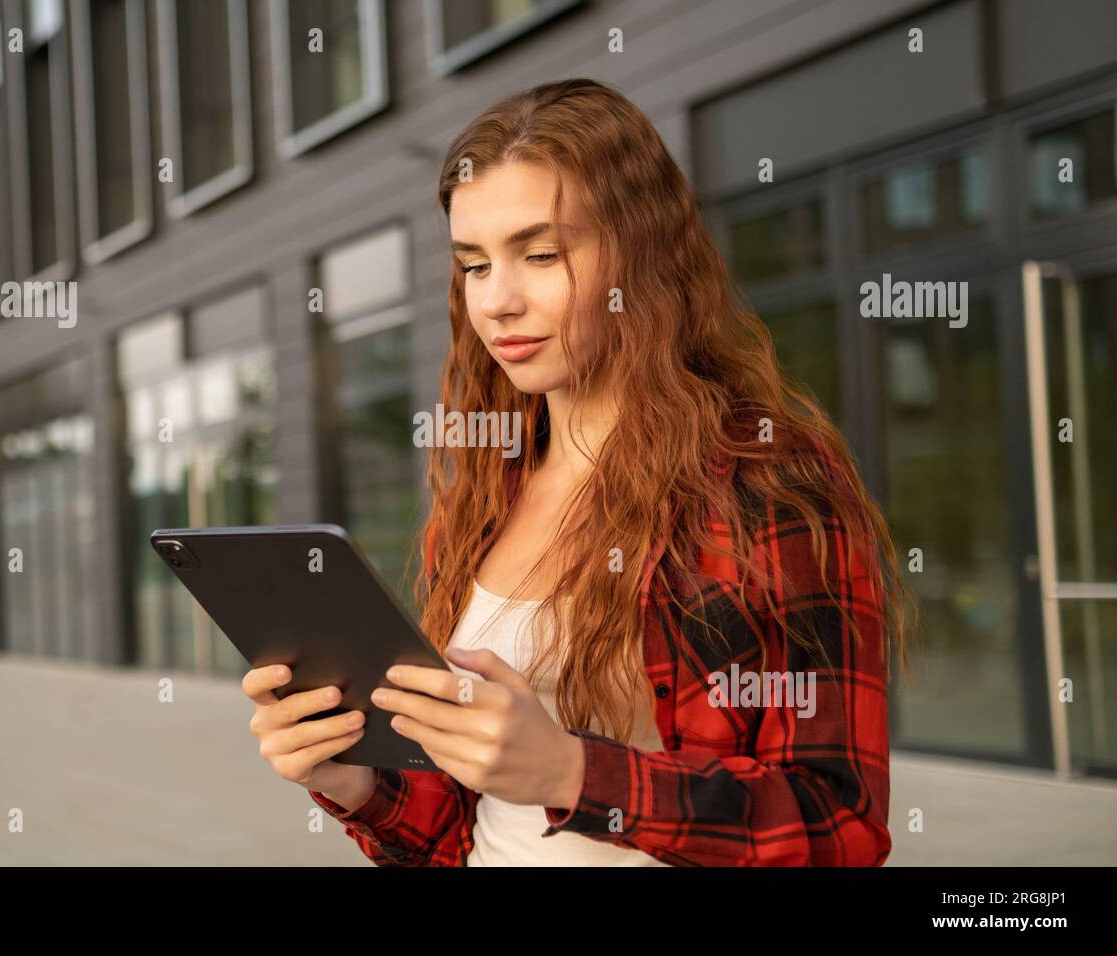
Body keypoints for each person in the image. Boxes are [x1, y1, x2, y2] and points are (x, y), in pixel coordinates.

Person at [242, 78, 912, 866]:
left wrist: (570, 771)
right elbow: (468, 826)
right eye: (475, 265)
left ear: (643, 253)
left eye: (540, 254)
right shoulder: (489, 490)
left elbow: (839, 828)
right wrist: (354, 780)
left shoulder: (762, 482)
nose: (497, 301)